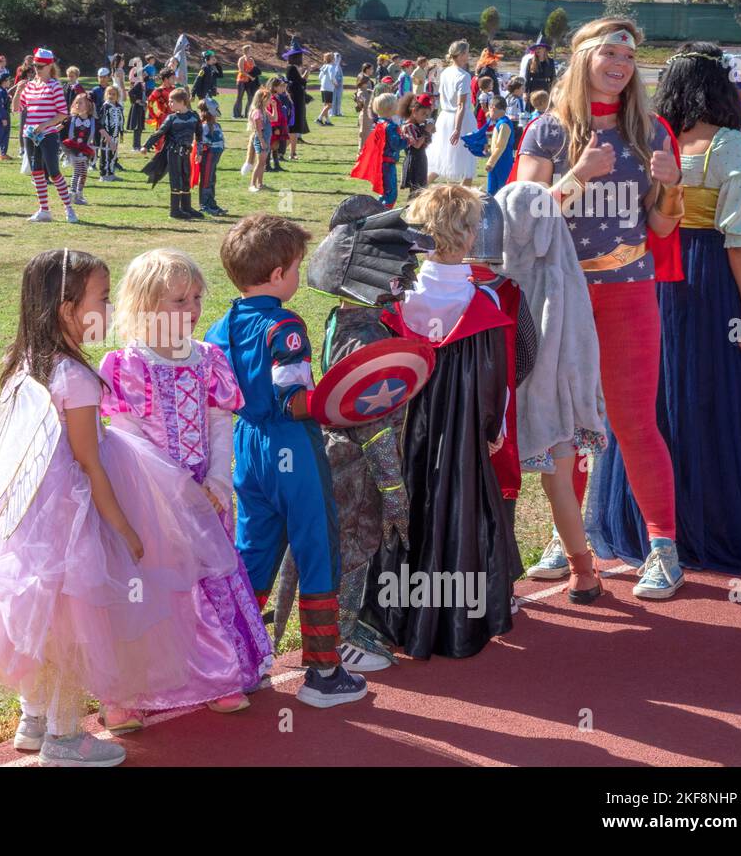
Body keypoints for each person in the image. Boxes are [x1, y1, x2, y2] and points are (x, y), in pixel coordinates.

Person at [0, 248, 240, 766]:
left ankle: (34, 720)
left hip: (32, 521)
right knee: (73, 628)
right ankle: (65, 739)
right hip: (73, 519)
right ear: (68, 310)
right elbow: (91, 463)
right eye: (102, 300)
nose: (109, 313)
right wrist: (124, 529)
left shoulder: (25, 365)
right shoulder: (78, 379)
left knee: (42, 620)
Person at [590, 40, 741, 577]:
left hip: (650, 273)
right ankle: (710, 523)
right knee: (710, 395)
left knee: (648, 399)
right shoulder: (731, 146)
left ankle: (645, 523)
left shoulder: (649, 139)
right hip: (709, 277)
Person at [517, 18, 686, 598]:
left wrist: (669, 187)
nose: (620, 62)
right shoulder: (547, 132)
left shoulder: (652, 131)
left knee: (635, 422)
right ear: (582, 57)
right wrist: (577, 176)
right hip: (563, 295)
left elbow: (662, 224)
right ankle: (571, 539)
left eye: (629, 55)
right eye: (609, 51)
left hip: (629, 293)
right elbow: (524, 218)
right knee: (569, 420)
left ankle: (663, 547)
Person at [96, 249, 272, 729]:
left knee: (205, 582)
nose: (191, 309)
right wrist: (162, 489)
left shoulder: (209, 359)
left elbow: (219, 422)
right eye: (178, 300)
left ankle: (216, 675)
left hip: (204, 496)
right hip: (148, 498)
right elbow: (122, 435)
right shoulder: (123, 365)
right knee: (149, 589)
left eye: (195, 298)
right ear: (146, 305)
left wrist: (217, 478)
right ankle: (132, 690)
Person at [204, 214, 369, 707]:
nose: (298, 277)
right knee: (318, 549)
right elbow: (293, 397)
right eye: (296, 267)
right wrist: (341, 403)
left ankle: (242, 661)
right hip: (290, 445)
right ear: (278, 274)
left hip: (245, 446)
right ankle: (322, 671)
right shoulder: (286, 324)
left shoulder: (221, 324)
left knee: (253, 553)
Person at [364, 185, 521, 657]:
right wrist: (494, 431)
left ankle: (391, 618)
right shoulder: (486, 307)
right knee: (455, 518)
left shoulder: (395, 303)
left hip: (401, 439)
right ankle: (451, 623)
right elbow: (500, 384)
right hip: (460, 445)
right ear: (471, 237)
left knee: (401, 517)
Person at [271, 197, 425, 672]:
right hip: (356, 464)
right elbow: (373, 422)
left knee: (353, 545)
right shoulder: (366, 337)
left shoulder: (351, 321)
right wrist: (395, 490)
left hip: (343, 456)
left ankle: (344, 626)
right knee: (355, 547)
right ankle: (339, 634)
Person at [496, 182, 608, 602]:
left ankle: (497, 581)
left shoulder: (493, 277)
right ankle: (582, 572)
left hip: (501, 408)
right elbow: (580, 344)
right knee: (558, 483)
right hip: (553, 402)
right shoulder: (564, 273)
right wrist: (584, 400)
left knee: (497, 490)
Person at [19, 48, 78, 223]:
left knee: (54, 172)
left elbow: (62, 114)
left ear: (49, 66)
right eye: (35, 66)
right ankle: (44, 210)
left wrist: (44, 125)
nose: (36, 69)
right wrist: (18, 91)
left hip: (48, 134)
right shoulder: (30, 85)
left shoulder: (55, 86)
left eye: (40, 66)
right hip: (30, 134)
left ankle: (69, 208)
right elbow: (18, 107)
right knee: (37, 172)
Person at [142, 87, 201, 219]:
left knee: (186, 178)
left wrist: (199, 152)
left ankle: (186, 207)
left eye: (172, 102)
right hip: (173, 153)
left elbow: (199, 135)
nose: (169, 104)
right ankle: (175, 210)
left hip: (186, 153)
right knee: (175, 179)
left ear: (182, 102)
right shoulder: (171, 118)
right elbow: (159, 133)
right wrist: (146, 146)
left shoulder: (194, 116)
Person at [426, 40, 478, 184]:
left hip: (445, 117)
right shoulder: (464, 76)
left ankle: (419, 188)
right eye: (467, 53)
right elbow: (461, 105)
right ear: (461, 55)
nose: (468, 56)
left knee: (442, 158)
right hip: (460, 119)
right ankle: (464, 198)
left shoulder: (445, 72)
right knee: (467, 160)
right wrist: (457, 129)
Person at [349, 93, 407, 207]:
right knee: (391, 193)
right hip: (388, 163)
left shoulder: (379, 123)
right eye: (396, 105)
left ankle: (379, 210)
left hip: (380, 162)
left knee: (383, 191)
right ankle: (384, 214)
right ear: (391, 108)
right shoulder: (391, 126)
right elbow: (396, 144)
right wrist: (407, 140)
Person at [61, 93, 97, 205]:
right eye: (76, 102)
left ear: (88, 106)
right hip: (73, 148)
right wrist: (47, 131)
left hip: (85, 150)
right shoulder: (70, 119)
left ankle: (79, 193)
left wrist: (110, 141)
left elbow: (102, 131)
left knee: (84, 171)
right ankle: (72, 193)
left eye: (80, 103)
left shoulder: (93, 120)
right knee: (77, 170)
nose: (77, 105)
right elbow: (59, 127)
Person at [195, 98, 227, 216]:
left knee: (212, 179)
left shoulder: (215, 124)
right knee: (206, 179)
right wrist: (200, 153)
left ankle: (211, 203)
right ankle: (205, 205)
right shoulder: (204, 126)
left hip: (214, 156)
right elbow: (201, 142)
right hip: (208, 156)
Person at [399, 93, 432, 196]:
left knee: (421, 190)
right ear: (414, 111)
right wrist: (426, 132)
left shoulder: (418, 126)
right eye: (423, 114)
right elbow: (416, 145)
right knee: (415, 192)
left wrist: (429, 132)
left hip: (421, 160)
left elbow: (425, 144)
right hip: (414, 162)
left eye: (427, 115)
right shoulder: (408, 127)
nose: (425, 117)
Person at [484, 95, 517, 194]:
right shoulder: (500, 123)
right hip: (497, 161)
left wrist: (490, 162)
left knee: (502, 189)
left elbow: (500, 146)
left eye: (489, 109)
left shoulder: (504, 124)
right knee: (492, 190)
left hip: (502, 161)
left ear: (493, 108)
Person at [246, 87, 270, 194]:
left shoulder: (264, 111)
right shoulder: (257, 112)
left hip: (266, 139)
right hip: (261, 139)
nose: (270, 101)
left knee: (263, 163)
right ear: (262, 100)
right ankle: (252, 184)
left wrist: (273, 107)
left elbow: (274, 118)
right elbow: (258, 129)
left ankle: (260, 183)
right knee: (259, 163)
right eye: (268, 99)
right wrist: (262, 142)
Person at [283, 47, 310, 140]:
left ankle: (297, 136)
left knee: (298, 113)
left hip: (295, 93)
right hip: (296, 94)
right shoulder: (292, 68)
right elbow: (302, 81)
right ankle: (296, 136)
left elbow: (300, 80)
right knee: (298, 113)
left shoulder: (291, 68)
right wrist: (308, 70)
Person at [520, 34, 557, 98]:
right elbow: (527, 78)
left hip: (546, 89)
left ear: (544, 49)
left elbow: (553, 77)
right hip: (533, 88)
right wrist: (525, 92)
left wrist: (553, 90)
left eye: (539, 48)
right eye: (536, 49)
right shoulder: (530, 61)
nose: (537, 50)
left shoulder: (551, 61)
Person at [98, 84, 123, 181]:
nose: (111, 96)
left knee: (113, 154)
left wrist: (121, 132)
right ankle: (104, 175)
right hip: (106, 135)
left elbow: (120, 120)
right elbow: (101, 122)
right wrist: (105, 135)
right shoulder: (105, 107)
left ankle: (111, 173)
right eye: (109, 94)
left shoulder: (119, 107)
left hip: (115, 135)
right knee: (105, 154)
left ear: (117, 96)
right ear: (106, 95)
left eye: (114, 94)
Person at [127, 62, 148, 153]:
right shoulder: (138, 84)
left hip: (141, 108)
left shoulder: (143, 84)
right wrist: (136, 100)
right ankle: (135, 146)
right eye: (143, 73)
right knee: (137, 127)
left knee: (140, 127)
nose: (145, 74)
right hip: (137, 108)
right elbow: (130, 92)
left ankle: (138, 145)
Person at [233, 45, 257, 119]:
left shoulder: (251, 60)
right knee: (239, 97)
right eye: (250, 50)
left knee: (251, 97)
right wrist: (250, 76)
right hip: (241, 80)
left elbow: (254, 69)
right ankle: (236, 114)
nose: (252, 51)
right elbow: (241, 70)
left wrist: (254, 76)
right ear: (246, 50)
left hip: (249, 82)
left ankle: (247, 114)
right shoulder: (242, 59)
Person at [316, 52, 337, 126]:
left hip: (323, 87)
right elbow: (332, 77)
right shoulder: (331, 67)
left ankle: (327, 121)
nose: (334, 59)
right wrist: (335, 83)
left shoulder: (324, 66)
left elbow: (319, 77)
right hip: (328, 88)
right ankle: (319, 118)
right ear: (332, 59)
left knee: (326, 105)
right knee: (329, 105)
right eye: (333, 57)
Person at [331, 51, 346, 117]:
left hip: (339, 86)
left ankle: (338, 112)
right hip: (334, 85)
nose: (338, 59)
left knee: (338, 99)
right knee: (333, 99)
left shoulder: (339, 67)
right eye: (337, 57)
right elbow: (332, 76)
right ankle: (333, 112)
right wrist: (335, 83)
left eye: (339, 57)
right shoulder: (332, 66)